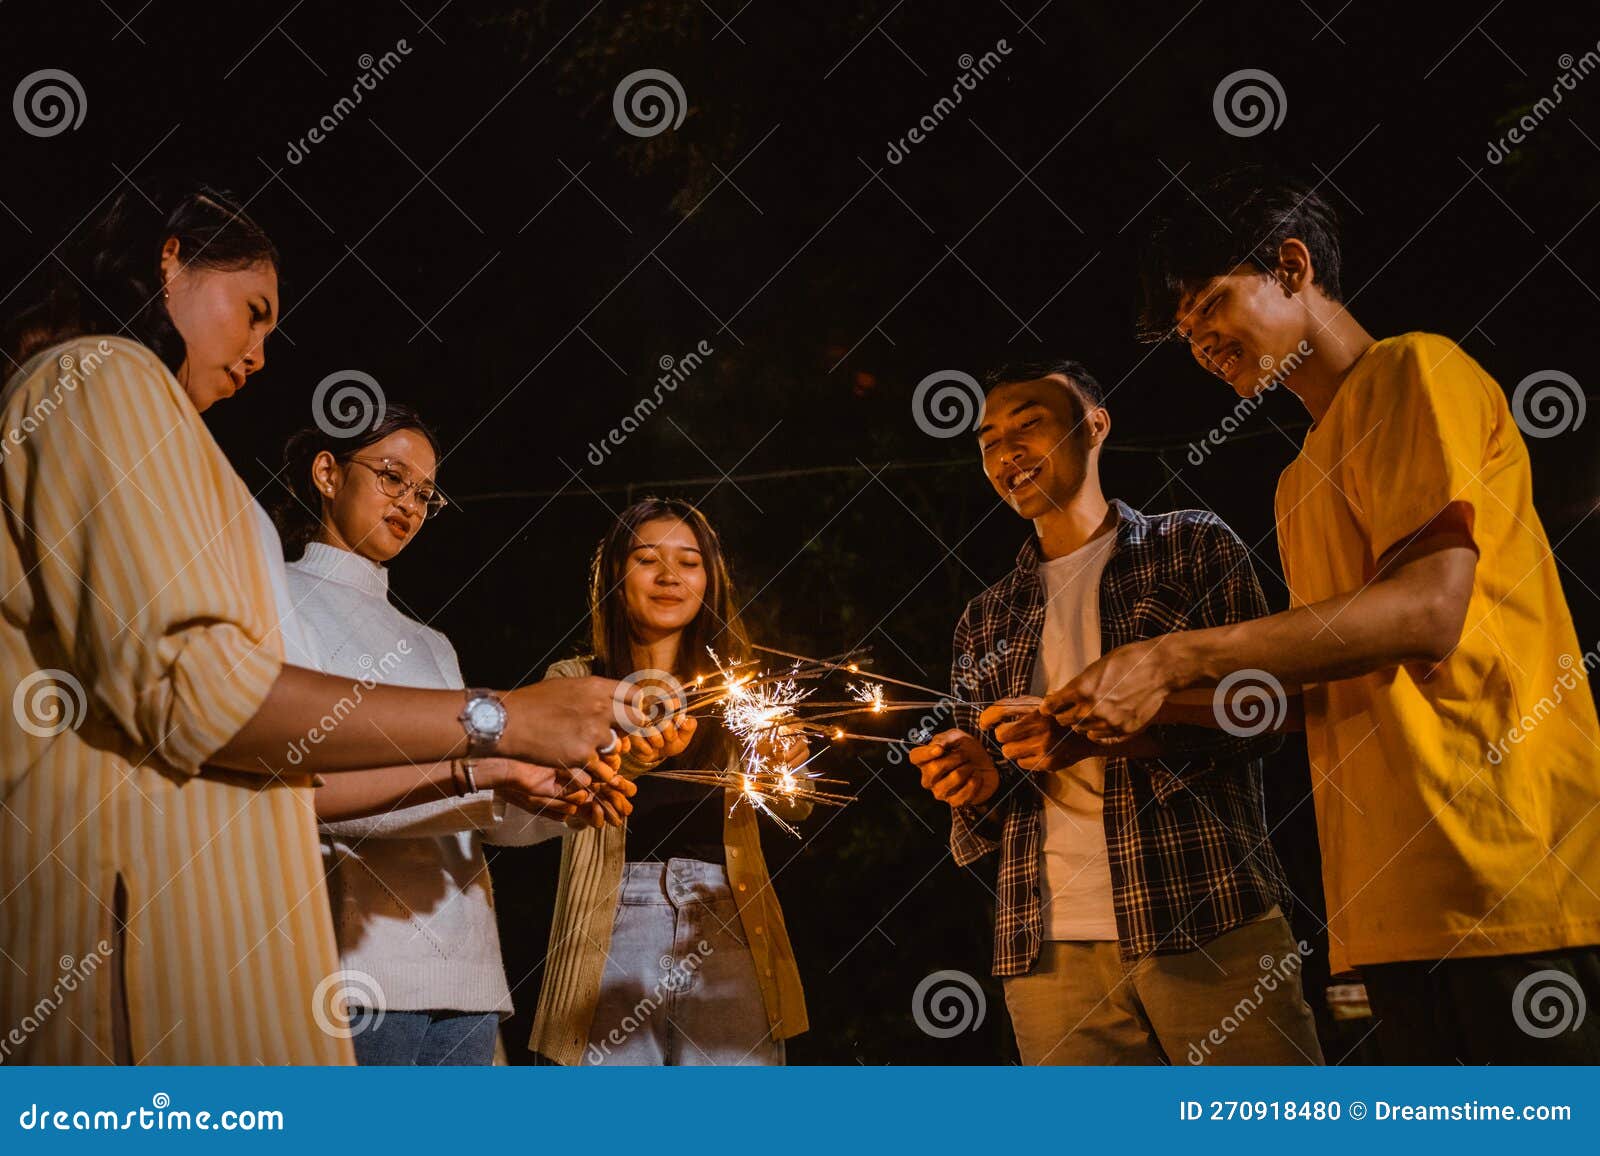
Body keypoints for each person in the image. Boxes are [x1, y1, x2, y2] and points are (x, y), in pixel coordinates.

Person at [0, 181, 634, 1065]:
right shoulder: (105, 375)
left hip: (237, 965)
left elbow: (275, 766)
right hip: (140, 953)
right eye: (254, 312)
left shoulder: (424, 634)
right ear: (171, 258)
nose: (260, 354)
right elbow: (199, 691)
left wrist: (505, 770)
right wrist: (500, 718)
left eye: (428, 492)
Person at [1047, 167, 1600, 1063]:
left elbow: (1426, 611)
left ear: (1294, 267)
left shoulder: (1413, 369)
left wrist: (1169, 658)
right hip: (1390, 911)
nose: (1200, 344)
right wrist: (1118, 714)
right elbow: (1312, 682)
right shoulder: (1296, 482)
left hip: (1511, 876)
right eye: (1185, 332)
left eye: (1211, 307)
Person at [909, 359, 1321, 1065]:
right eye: (987, 441)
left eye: (1028, 425)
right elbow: (994, 805)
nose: (1006, 452)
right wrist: (976, 780)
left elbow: (1274, 711)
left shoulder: (1192, 546)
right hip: (1047, 955)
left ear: (1095, 425)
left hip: (1208, 915)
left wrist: (1107, 732)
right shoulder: (985, 618)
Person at [273, 406, 623, 1064]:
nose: (408, 502)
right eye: (391, 477)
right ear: (327, 472)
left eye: (425, 493)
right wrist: (487, 771)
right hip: (359, 973)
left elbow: (474, 825)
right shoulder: (281, 596)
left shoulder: (432, 643)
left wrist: (551, 800)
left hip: (468, 979)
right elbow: (305, 795)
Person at [529, 498, 811, 1065]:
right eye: (646, 559)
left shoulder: (739, 691)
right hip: (611, 924)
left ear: (711, 580)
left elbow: (795, 807)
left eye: (689, 562)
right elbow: (540, 802)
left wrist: (788, 770)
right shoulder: (574, 681)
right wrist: (632, 762)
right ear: (614, 573)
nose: (668, 577)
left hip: (730, 917)